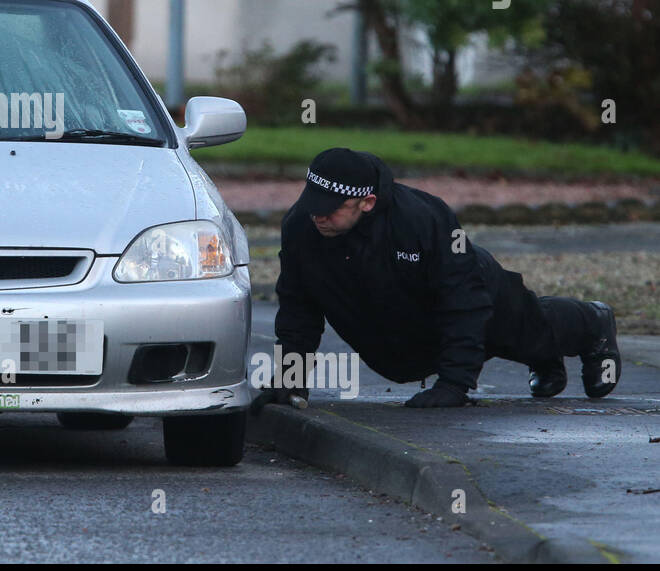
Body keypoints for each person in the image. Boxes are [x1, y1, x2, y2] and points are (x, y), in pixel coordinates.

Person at [254, 147, 620, 409]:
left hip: (475, 287)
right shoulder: (302, 226)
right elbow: (299, 309)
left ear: (366, 202)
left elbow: (463, 302)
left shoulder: (422, 219)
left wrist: (454, 385)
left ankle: (593, 322)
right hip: (408, 326)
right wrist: (291, 378)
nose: (317, 216)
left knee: (527, 332)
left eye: (329, 209)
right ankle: (543, 356)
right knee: (515, 342)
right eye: (311, 203)